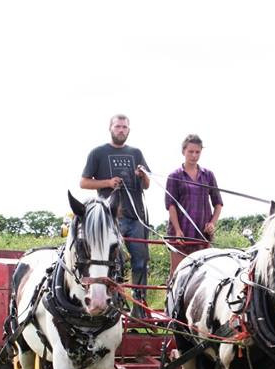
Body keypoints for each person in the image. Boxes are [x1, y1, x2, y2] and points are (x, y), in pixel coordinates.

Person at [80, 114, 151, 317]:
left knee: (140, 261)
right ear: (110, 128)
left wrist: (142, 175)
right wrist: (107, 183)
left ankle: (140, 309)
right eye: (118, 126)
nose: (121, 130)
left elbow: (147, 185)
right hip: (110, 218)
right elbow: (84, 182)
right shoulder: (98, 153)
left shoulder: (136, 153)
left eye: (125, 127)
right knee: (113, 262)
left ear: (129, 130)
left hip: (136, 217)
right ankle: (113, 305)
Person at [165, 134, 223, 274]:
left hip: (202, 234)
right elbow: (170, 205)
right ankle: (170, 296)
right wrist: (178, 230)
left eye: (197, 152)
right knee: (177, 273)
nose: (194, 155)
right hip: (181, 234)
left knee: (203, 275)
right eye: (191, 151)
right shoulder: (175, 176)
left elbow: (218, 203)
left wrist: (212, 223)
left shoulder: (208, 175)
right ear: (183, 151)